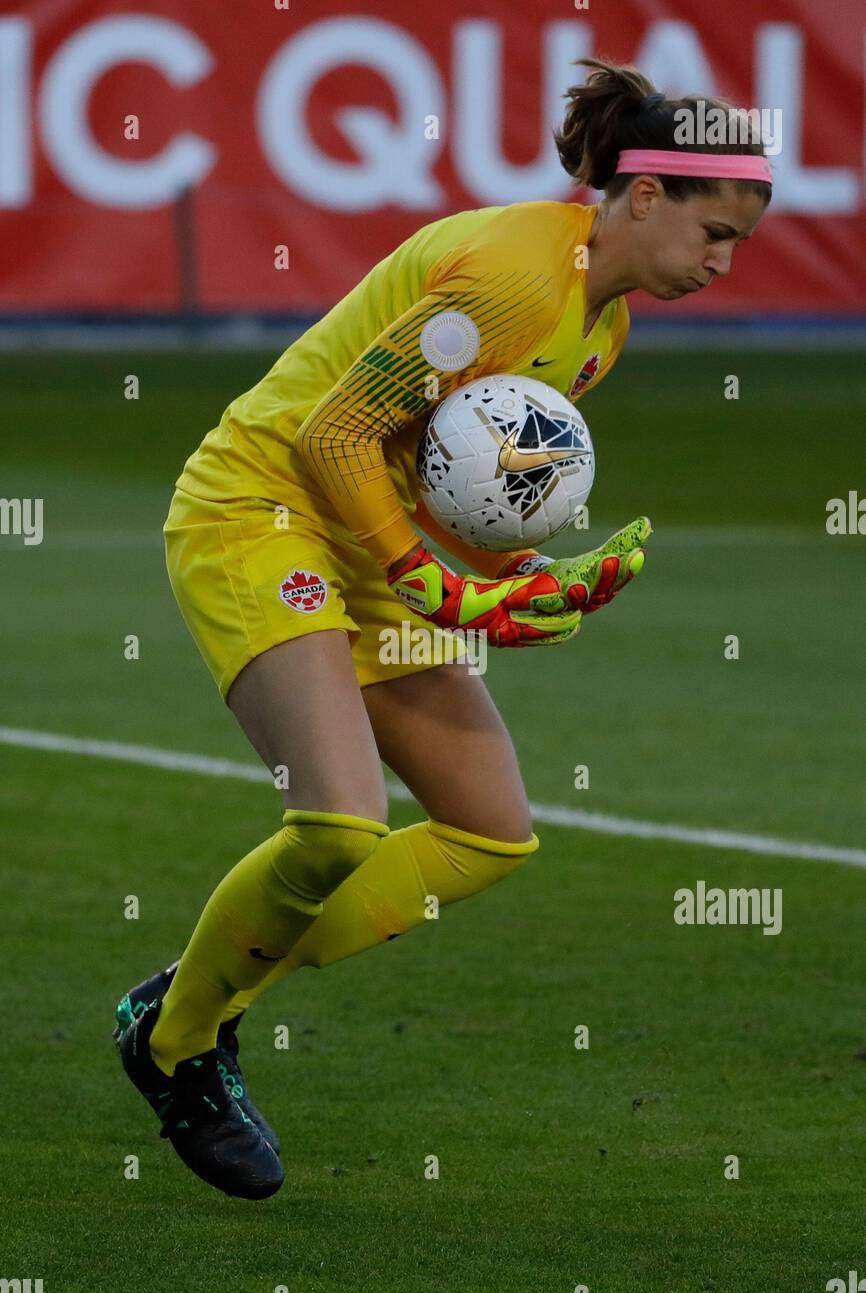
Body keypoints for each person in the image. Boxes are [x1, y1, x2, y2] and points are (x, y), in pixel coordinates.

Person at [114, 57, 771, 1199]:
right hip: (259, 510)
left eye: (741, 244)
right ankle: (175, 1048)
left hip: (358, 539)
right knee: (334, 827)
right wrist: (435, 582)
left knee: (485, 830)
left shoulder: (597, 328)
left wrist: (523, 577)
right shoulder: (515, 279)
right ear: (644, 195)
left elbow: (441, 482)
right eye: (713, 231)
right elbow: (328, 438)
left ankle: (188, 998)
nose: (721, 263)